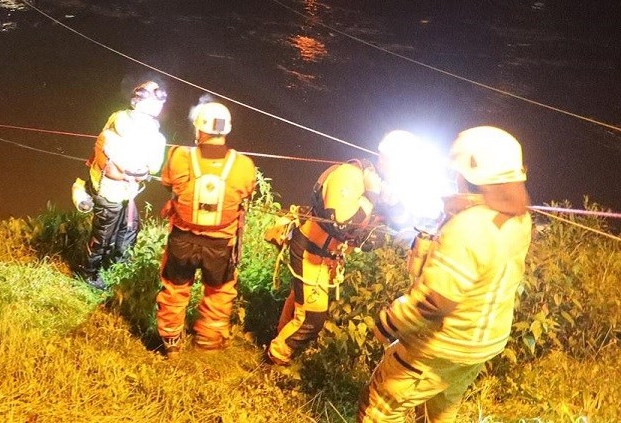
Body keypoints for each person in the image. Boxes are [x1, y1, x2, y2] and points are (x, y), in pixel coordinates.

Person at [359, 126, 532, 422]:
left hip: (443, 344)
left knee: (380, 409)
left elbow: (435, 301)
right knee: (439, 409)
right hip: (481, 344)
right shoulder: (519, 218)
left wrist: (388, 323)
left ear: (468, 176)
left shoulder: (469, 227)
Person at [154, 101, 257, 355]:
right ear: (226, 131)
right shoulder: (244, 165)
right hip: (220, 244)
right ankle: (207, 343)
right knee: (219, 293)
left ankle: (171, 342)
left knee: (175, 289)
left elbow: (168, 183)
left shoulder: (179, 156)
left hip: (182, 239)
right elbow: (247, 191)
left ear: (198, 129)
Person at [266, 156, 384, 365]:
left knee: (299, 302)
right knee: (311, 319)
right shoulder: (349, 175)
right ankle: (276, 357)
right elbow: (340, 224)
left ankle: (279, 340)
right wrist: (370, 198)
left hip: (325, 256)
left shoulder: (368, 182)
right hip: (311, 251)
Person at [75, 81, 168, 290]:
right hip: (111, 191)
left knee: (128, 228)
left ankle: (116, 268)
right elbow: (152, 167)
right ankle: (88, 274)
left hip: (120, 190)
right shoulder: (153, 135)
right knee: (104, 233)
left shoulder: (118, 118)